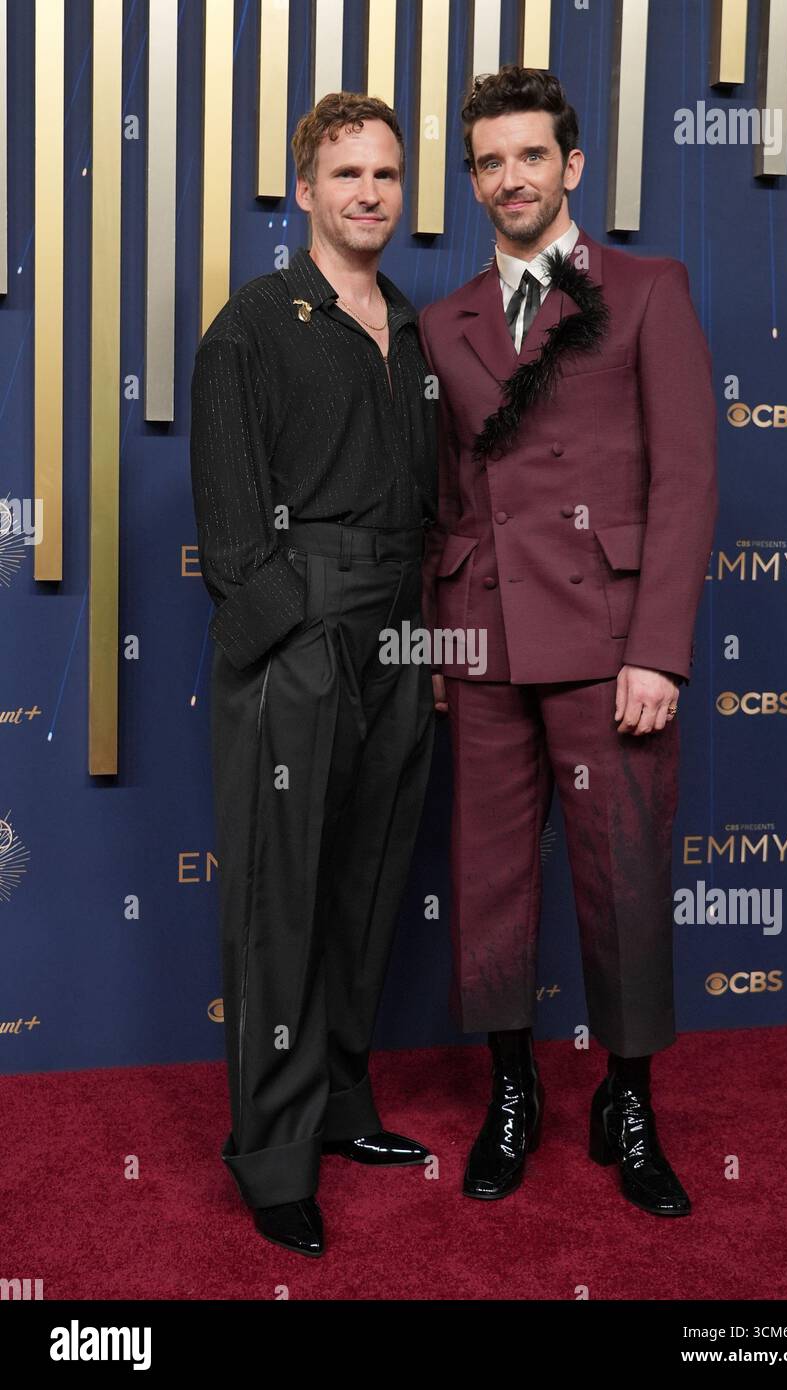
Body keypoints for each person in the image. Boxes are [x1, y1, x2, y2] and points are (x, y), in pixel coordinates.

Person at [419, 66, 718, 1216]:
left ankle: (627, 1097)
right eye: (489, 161)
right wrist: (444, 649)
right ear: (475, 180)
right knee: (489, 878)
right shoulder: (441, 323)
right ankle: (512, 1091)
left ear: (571, 167)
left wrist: (660, 649)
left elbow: (685, 478)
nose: (509, 178)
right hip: (486, 643)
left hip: (608, 647)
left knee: (625, 878)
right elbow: (445, 499)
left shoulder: (644, 289)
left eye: (529, 156)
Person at [189, 92, 438, 1256]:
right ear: (305, 192)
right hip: (303, 626)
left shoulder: (411, 324)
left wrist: (421, 642)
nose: (370, 193)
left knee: (368, 880)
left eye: (385, 173)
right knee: (280, 899)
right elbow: (235, 542)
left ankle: (341, 1103)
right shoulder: (252, 325)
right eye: (346, 174)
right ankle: (274, 1154)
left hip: (401, 626)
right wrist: (296, 628)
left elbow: (433, 509)